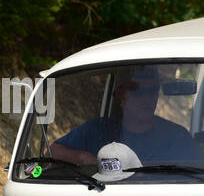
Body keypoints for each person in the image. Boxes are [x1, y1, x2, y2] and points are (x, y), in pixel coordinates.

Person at [49, 64, 193, 165]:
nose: (147, 98)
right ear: (121, 94)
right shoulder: (96, 130)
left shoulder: (176, 137)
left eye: (152, 91)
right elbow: (50, 152)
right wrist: (83, 158)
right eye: (139, 91)